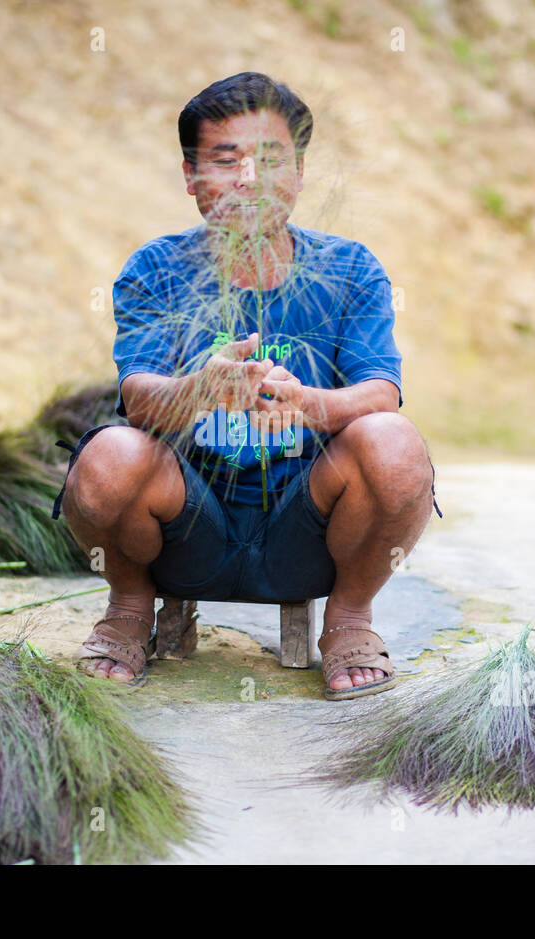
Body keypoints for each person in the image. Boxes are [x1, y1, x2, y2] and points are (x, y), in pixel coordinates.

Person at [51, 72, 439, 700]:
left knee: (392, 443)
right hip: (184, 531)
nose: (249, 181)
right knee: (109, 454)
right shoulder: (156, 268)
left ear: (301, 172)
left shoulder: (351, 268)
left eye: (270, 160)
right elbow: (138, 398)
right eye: (225, 161)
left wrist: (311, 405)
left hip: (307, 535)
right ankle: (127, 610)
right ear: (191, 176)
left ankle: (348, 621)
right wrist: (200, 390)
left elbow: (381, 393)